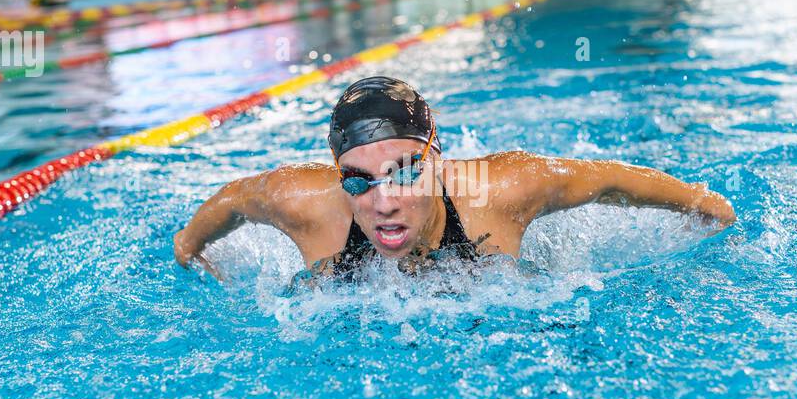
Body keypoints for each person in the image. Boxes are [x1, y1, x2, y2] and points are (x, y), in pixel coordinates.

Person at [173, 76, 736, 280]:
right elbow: (236, 200)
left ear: (438, 159)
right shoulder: (304, 203)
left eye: (404, 172)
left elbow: (609, 180)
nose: (383, 203)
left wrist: (710, 209)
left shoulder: (502, 191)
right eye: (357, 181)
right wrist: (190, 251)